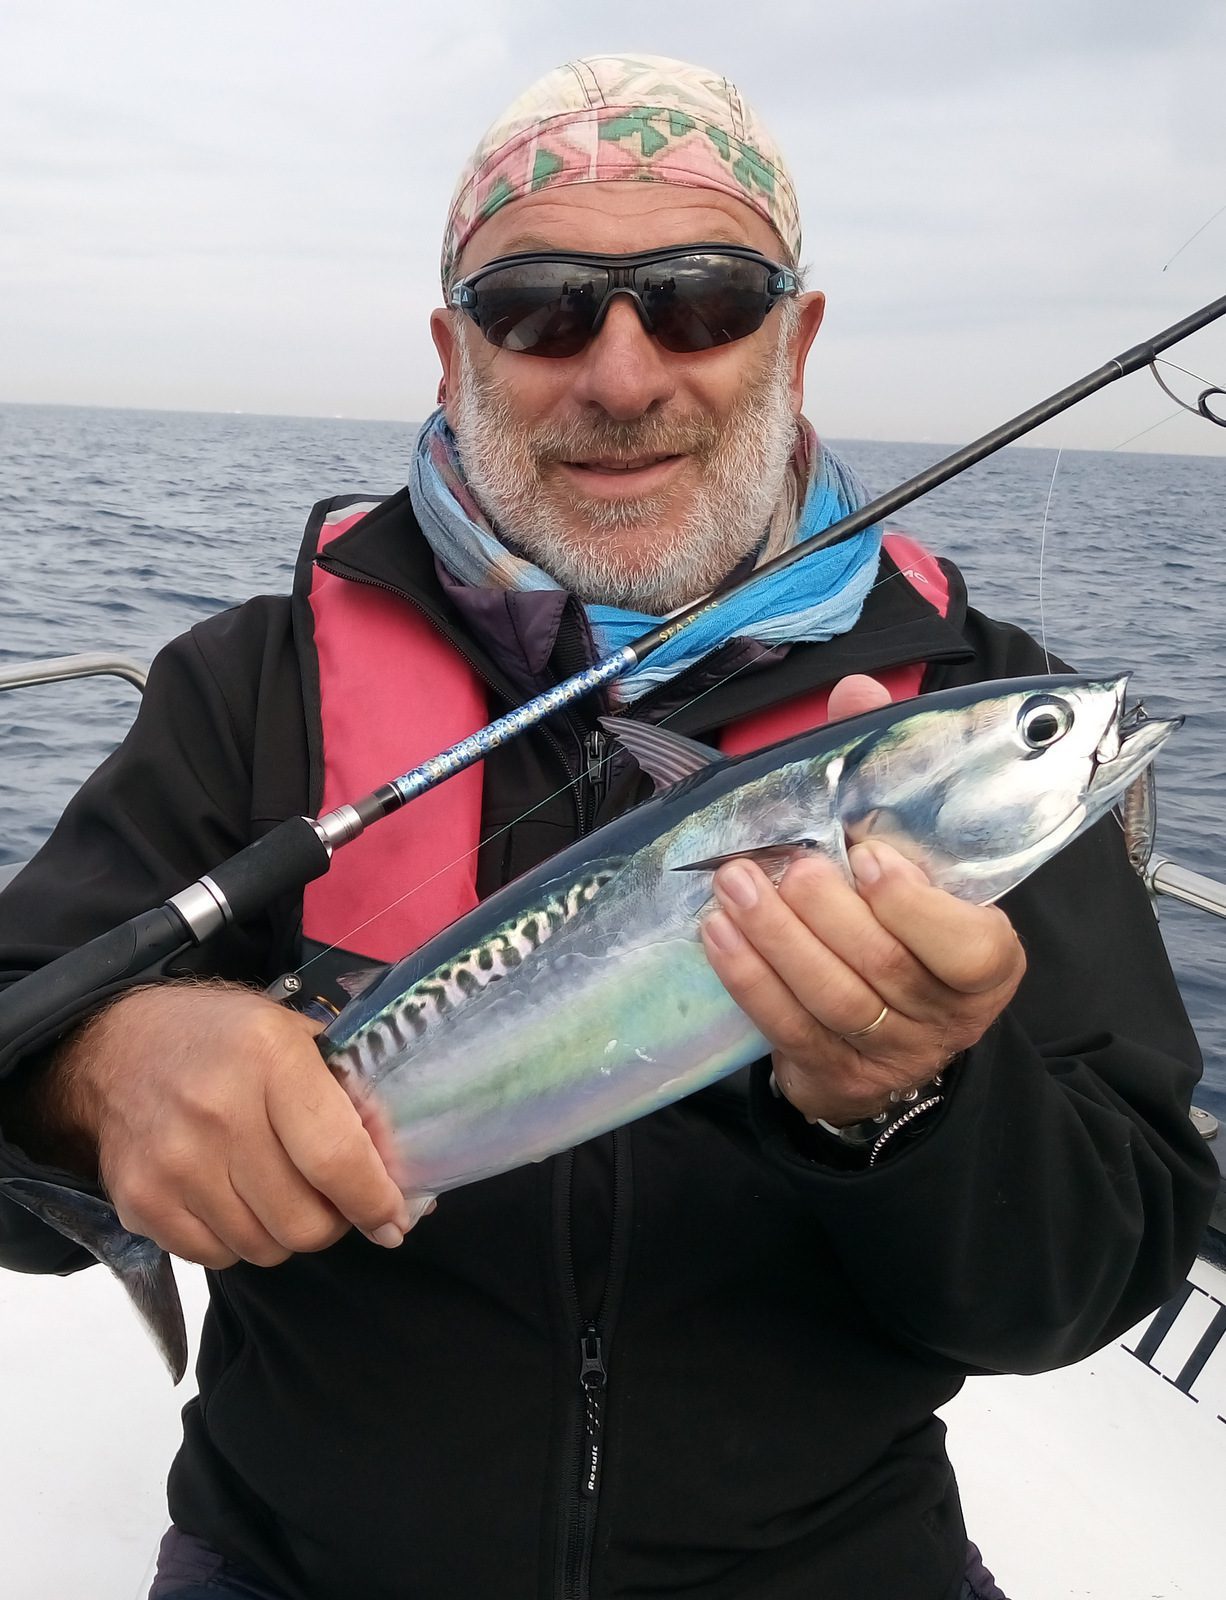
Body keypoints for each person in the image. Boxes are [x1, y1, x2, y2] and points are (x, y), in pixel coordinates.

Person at [0, 52, 1216, 1600]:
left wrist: (909, 1107)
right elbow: (9, 1079)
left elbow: (1080, 1289)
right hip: (295, 1562)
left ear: (797, 336)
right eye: (540, 309)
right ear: (452, 354)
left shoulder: (973, 704)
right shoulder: (253, 684)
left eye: (703, 299)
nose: (624, 375)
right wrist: (106, 1070)